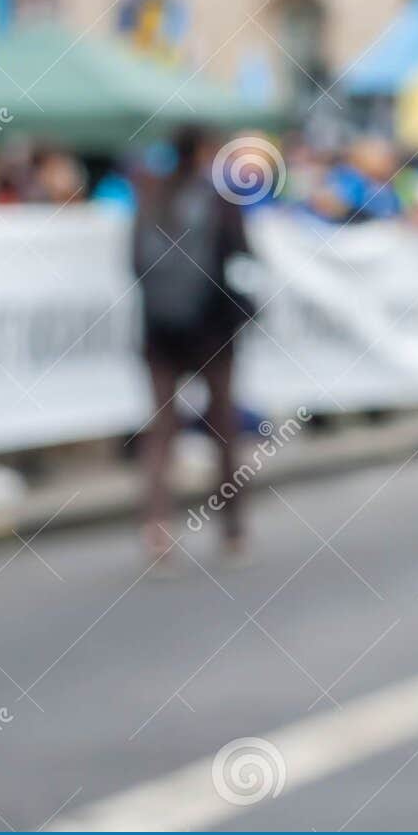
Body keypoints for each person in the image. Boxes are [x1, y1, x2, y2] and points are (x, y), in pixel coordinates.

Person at [132, 125, 255, 569]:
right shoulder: (220, 200)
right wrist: (244, 315)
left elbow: (134, 265)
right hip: (213, 332)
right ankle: (233, 529)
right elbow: (241, 261)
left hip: (160, 332)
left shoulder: (150, 197)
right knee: (222, 428)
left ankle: (158, 531)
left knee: (161, 433)